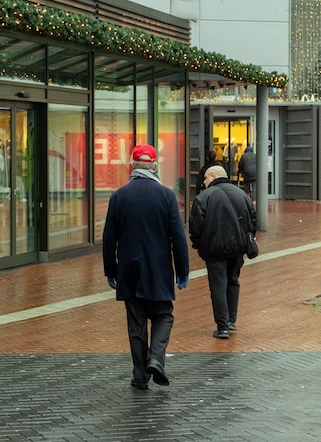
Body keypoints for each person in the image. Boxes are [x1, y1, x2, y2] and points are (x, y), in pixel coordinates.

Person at [103, 144, 190, 390]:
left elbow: (110, 239)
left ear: (131, 166)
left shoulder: (119, 196)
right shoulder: (166, 195)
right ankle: (155, 358)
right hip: (159, 270)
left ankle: (140, 375)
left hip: (129, 271)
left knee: (136, 323)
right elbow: (177, 237)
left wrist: (111, 270)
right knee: (163, 314)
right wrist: (182, 270)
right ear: (154, 165)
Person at [188, 164, 257, 339]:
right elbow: (252, 222)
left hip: (215, 249)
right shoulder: (242, 194)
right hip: (238, 248)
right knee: (233, 281)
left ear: (212, 176)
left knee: (218, 285)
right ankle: (231, 320)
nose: (203, 182)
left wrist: (198, 244)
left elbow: (195, 226)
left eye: (205, 178)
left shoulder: (204, 197)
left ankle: (222, 326)